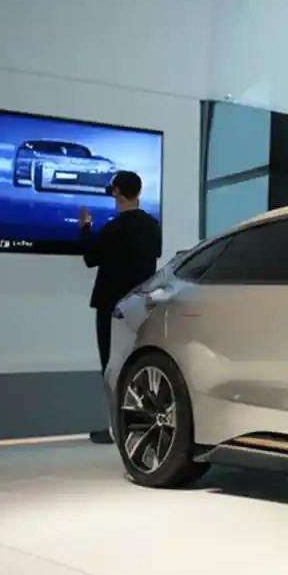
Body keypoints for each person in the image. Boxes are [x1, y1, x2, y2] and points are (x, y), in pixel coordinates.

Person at [79, 171, 162, 444]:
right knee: (137, 364)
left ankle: (117, 428)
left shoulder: (114, 228)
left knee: (112, 366)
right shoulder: (152, 225)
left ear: (116, 192)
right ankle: (141, 425)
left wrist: (85, 227)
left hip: (111, 306)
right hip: (140, 305)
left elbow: (90, 258)